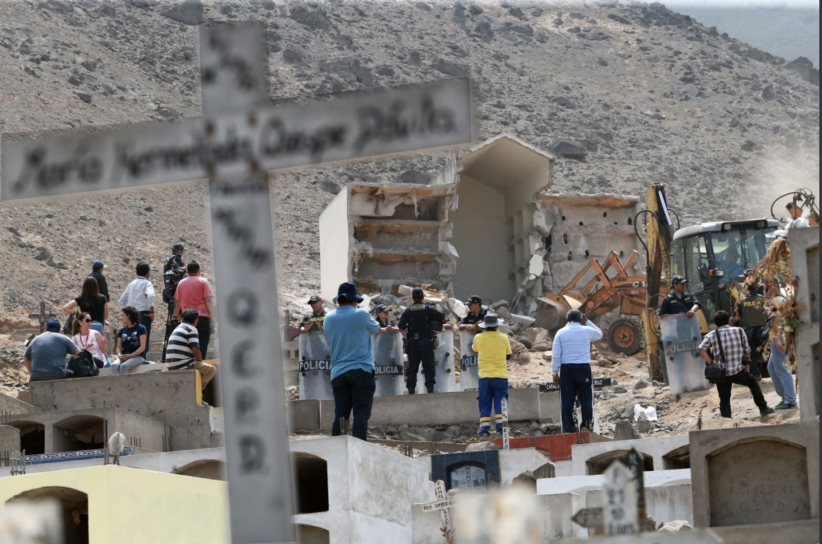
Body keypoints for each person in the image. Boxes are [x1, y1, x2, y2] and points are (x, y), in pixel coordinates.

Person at [323, 282, 379, 441]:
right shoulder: (361, 314)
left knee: (340, 414)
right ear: (355, 300)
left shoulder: (328, 318)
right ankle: (359, 450)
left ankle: (337, 449)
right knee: (361, 414)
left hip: (338, 373)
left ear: (338, 300)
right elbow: (376, 329)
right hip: (361, 370)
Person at [698, 311, 774, 418]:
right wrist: (747, 368)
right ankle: (763, 408)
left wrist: (711, 362)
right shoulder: (739, 331)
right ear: (729, 320)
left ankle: (726, 419)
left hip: (722, 374)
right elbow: (748, 351)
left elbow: (701, 348)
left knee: (724, 398)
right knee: (753, 383)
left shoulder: (712, 335)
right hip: (739, 371)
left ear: (716, 324)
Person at [551, 310, 603, 433]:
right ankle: (586, 428)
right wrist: (588, 321)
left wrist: (555, 373)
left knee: (566, 400)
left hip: (567, 369)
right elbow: (599, 334)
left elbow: (556, 355)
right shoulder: (586, 330)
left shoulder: (561, 332)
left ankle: (569, 430)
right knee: (586, 400)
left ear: (567, 319)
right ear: (581, 319)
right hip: (583, 368)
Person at [398, 287, 446, 395]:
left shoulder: (408, 310)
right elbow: (443, 318)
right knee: (428, 367)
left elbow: (401, 326)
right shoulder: (428, 308)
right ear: (423, 297)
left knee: (412, 368)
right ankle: (430, 391)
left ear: (412, 298)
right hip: (426, 343)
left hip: (413, 343)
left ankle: (411, 391)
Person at [472, 314, 512, 437]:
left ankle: (484, 430)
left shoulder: (478, 337)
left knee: (485, 402)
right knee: (501, 402)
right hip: (500, 376)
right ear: (496, 325)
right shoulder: (503, 337)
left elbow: (475, 349)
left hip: (484, 377)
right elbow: (508, 354)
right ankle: (501, 429)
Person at [173, 261, 217, 356]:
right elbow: (208, 299)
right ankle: (200, 366)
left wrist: (175, 315)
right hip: (202, 317)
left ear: (187, 271)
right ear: (199, 271)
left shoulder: (181, 283)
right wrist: (213, 316)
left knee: (188, 344)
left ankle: (190, 366)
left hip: (187, 318)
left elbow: (177, 302)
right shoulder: (203, 281)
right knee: (202, 343)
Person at [166, 309, 217, 390]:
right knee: (211, 370)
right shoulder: (191, 329)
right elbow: (196, 349)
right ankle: (196, 392)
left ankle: (198, 396)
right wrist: (200, 361)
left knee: (200, 368)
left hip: (170, 364)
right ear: (196, 319)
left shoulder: (178, 327)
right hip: (181, 363)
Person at [765, 298, 797, 410]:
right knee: (772, 368)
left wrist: (777, 340)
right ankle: (785, 397)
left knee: (782, 370)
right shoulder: (778, 298)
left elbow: (778, 322)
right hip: (779, 340)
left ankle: (790, 400)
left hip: (779, 341)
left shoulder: (777, 299)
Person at [732, 284, 767, 380]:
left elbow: (735, 318)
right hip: (763, 330)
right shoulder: (763, 299)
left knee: (750, 352)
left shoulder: (741, 300)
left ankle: (755, 373)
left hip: (748, 331)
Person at [119, 263, 155, 349]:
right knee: (143, 342)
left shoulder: (131, 284)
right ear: (147, 273)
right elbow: (150, 295)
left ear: (136, 272)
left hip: (131, 316)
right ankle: (141, 360)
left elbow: (121, 301)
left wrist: (127, 313)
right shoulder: (147, 283)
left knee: (132, 341)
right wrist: (152, 312)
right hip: (143, 315)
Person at [112, 306, 148, 375]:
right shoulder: (121, 330)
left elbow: (142, 347)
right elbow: (118, 347)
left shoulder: (141, 328)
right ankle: (117, 385)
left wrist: (131, 355)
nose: (121, 318)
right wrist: (119, 355)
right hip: (124, 357)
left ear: (129, 316)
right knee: (114, 365)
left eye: (123, 315)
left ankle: (124, 385)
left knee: (124, 366)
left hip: (138, 356)